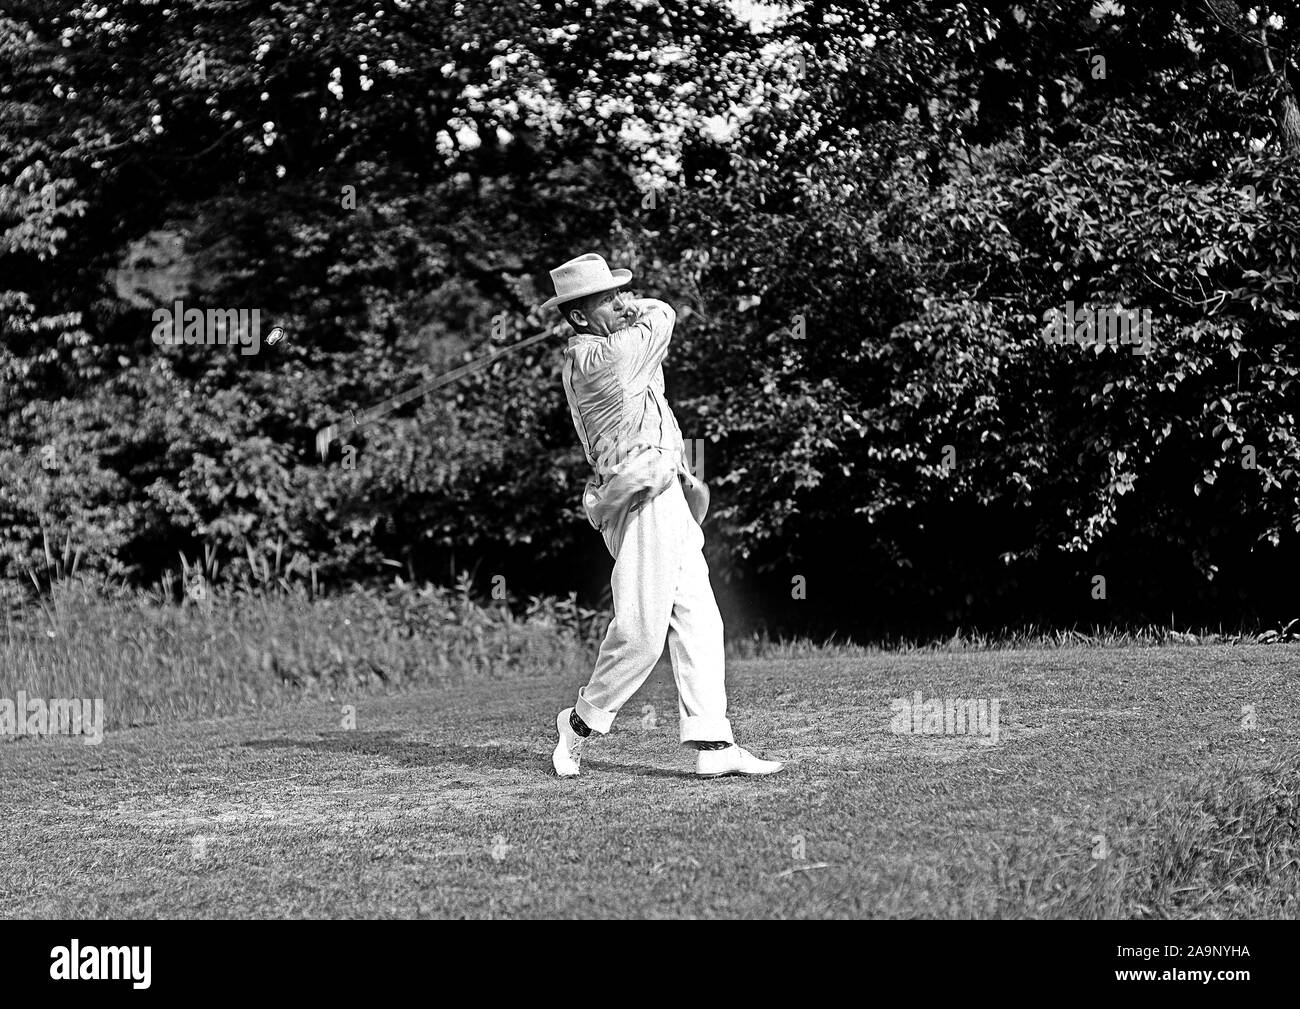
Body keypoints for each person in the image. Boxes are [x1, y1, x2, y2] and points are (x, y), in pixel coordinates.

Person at [543, 252, 785, 779]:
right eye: (608, 298)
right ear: (581, 317)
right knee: (641, 633)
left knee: (700, 615)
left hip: (664, 488)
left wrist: (616, 306)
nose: (622, 302)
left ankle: (714, 745)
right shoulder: (604, 358)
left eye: (619, 293)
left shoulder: (612, 346)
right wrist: (636, 305)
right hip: (638, 497)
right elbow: (664, 314)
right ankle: (579, 724)